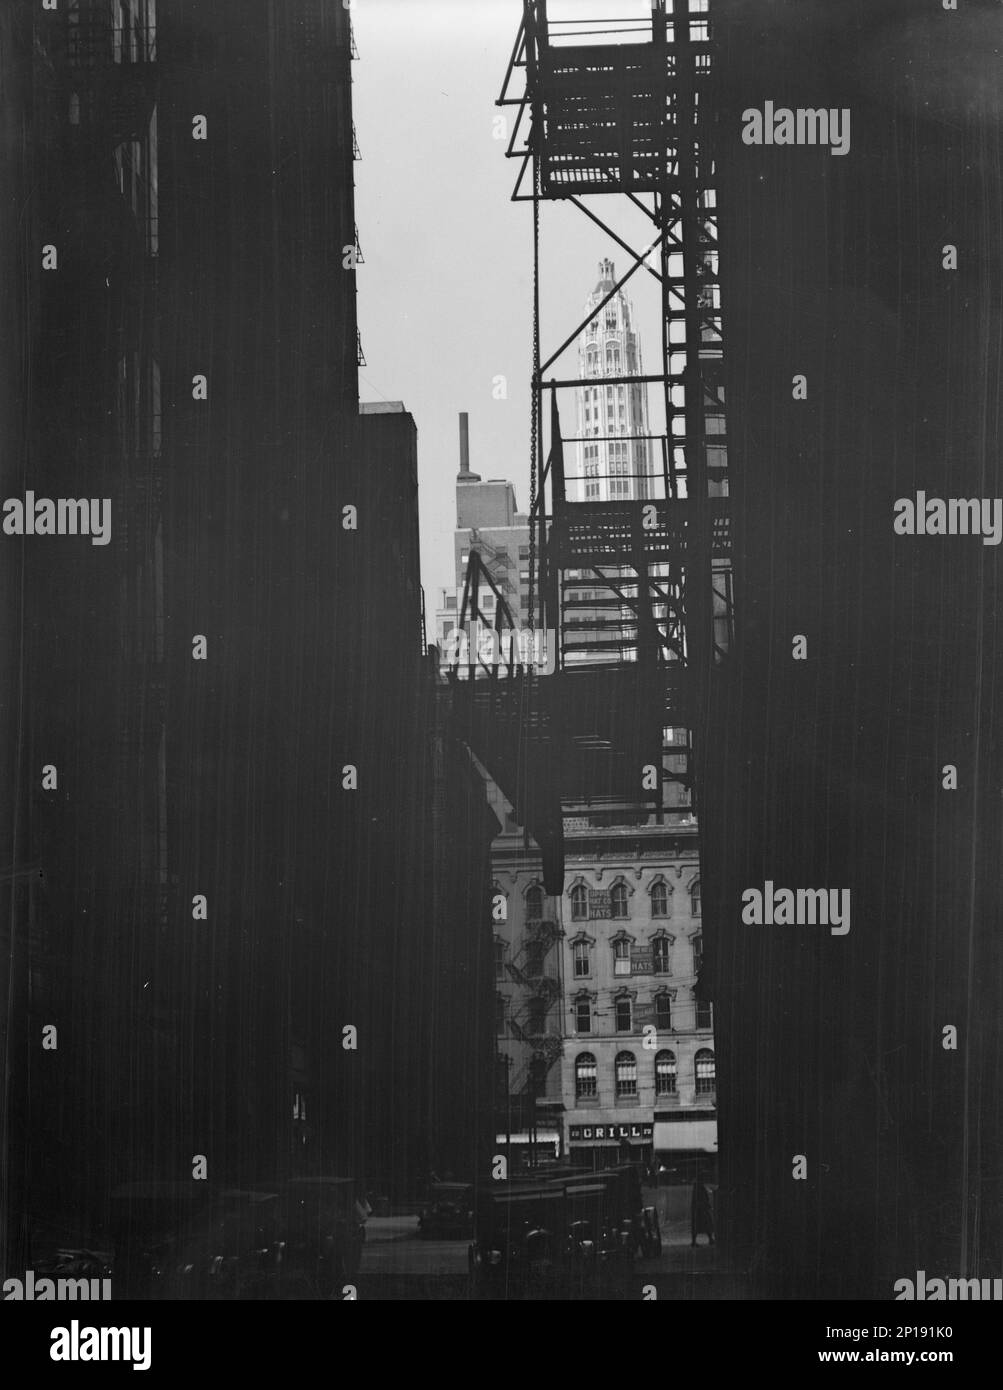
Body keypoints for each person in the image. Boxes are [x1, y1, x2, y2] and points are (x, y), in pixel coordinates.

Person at [690, 1178, 715, 1246]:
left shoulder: (697, 1187)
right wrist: (707, 1205)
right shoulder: (700, 1187)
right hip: (701, 1208)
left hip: (698, 1209)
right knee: (706, 1223)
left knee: (697, 1225)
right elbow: (703, 1198)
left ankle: (694, 1241)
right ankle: (710, 1239)